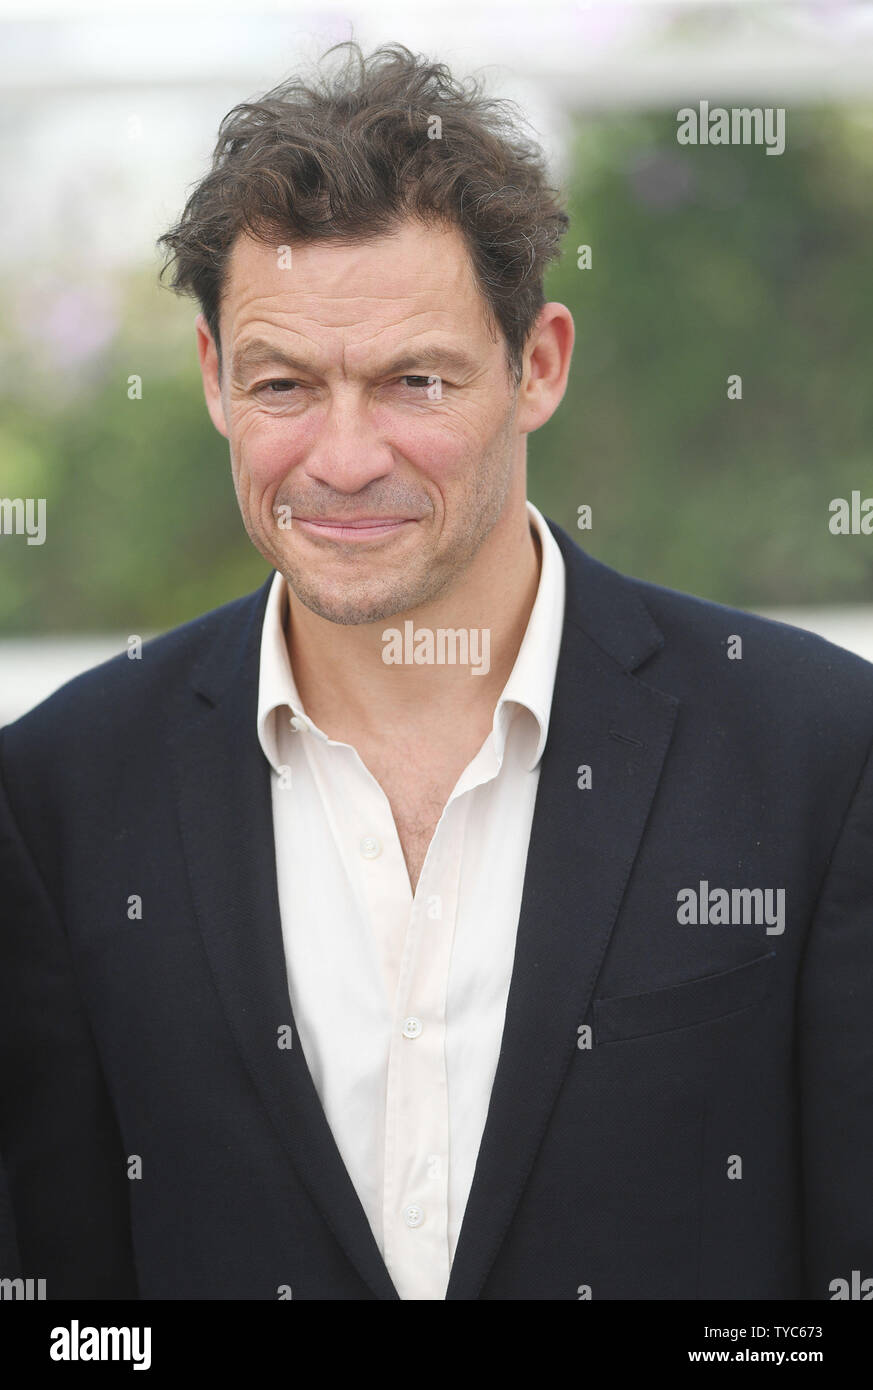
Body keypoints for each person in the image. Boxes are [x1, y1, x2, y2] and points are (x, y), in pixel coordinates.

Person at [1, 41, 871, 1302]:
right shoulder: (55, 796)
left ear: (539, 365)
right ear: (212, 380)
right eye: (284, 384)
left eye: (415, 380)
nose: (345, 459)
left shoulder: (820, 758)